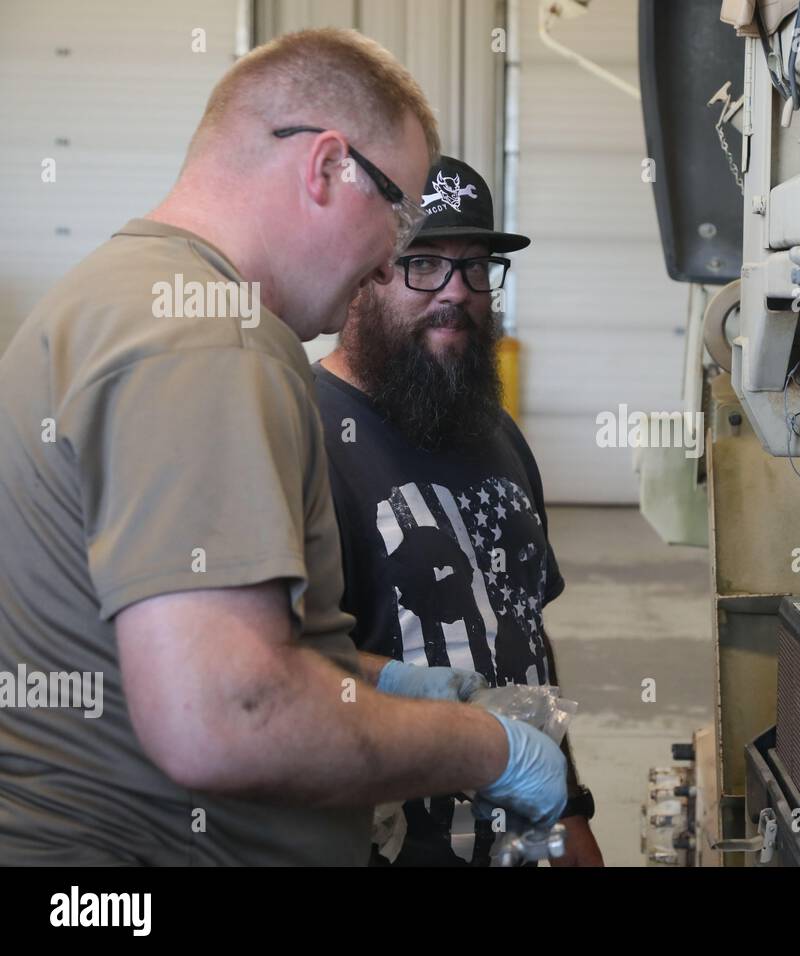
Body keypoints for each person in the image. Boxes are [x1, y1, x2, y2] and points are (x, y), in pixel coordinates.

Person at [0, 28, 566, 866]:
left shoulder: (114, 296)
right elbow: (228, 718)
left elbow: (197, 644)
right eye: (401, 213)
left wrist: (377, 682)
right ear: (327, 167)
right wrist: (485, 748)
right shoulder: (209, 341)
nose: (388, 260)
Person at [315, 156, 604, 866]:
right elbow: (280, 670)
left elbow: (526, 627)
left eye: (476, 267)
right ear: (363, 274)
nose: (458, 293)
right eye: (423, 264)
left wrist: (569, 803)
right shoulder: (304, 433)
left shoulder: (494, 429)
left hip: (522, 841)